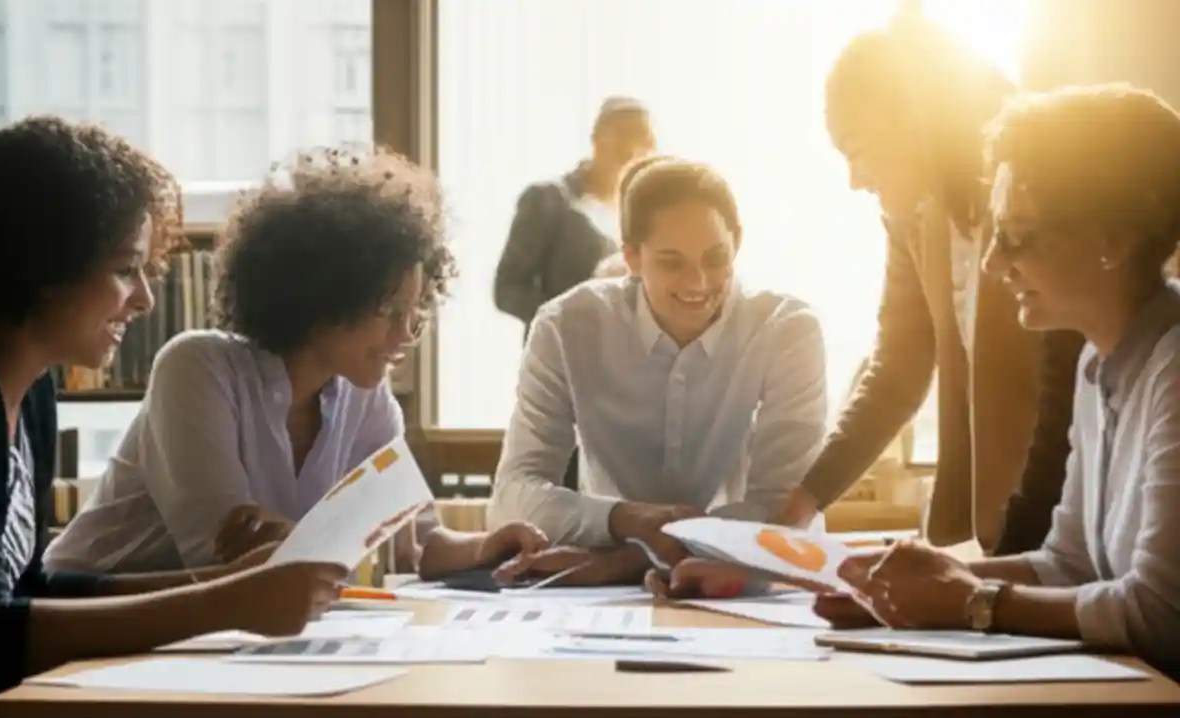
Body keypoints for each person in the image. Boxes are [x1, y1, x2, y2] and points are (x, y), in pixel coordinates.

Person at [0, 118, 343, 713]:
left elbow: (28, 590)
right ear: (44, 266)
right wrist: (230, 604)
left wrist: (229, 580)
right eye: (123, 269)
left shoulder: (27, 390)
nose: (144, 298)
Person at [45, 147, 546, 581]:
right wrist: (329, 541)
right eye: (390, 311)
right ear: (324, 298)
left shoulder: (366, 396)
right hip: (91, 618)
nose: (407, 334)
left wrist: (485, 545)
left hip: (217, 632)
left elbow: (412, 539)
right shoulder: (197, 368)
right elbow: (222, 554)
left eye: (416, 313)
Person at [818, 84, 1180, 676]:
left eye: (1016, 235)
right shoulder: (1097, 365)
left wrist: (970, 602)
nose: (992, 264)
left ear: (1115, 238)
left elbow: (1160, 613)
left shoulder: (1175, 371)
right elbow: (1069, 562)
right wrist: (898, 581)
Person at [773, 9, 1084, 553]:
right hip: (985, 527)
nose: (854, 180)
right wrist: (804, 499)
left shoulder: (1033, 205)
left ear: (914, 121)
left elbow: (1069, 393)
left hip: (1063, 517)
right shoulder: (914, 220)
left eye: (858, 151)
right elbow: (898, 367)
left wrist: (1025, 542)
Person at [487, 157, 828, 585]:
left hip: (736, 581)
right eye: (672, 262)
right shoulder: (565, 327)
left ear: (737, 244)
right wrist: (626, 519)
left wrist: (627, 560)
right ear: (631, 257)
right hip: (599, 593)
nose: (698, 282)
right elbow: (513, 495)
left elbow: (784, 505)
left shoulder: (786, 328)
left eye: (716, 257)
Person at [493, 96, 656, 332]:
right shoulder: (548, 200)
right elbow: (507, 290)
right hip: (561, 359)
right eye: (623, 133)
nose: (633, 148)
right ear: (596, 138)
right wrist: (572, 318)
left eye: (645, 139)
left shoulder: (644, 216)